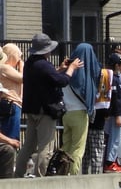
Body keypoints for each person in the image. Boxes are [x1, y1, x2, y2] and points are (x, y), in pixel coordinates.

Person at [14, 33, 82, 178]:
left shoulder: (31, 63)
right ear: (46, 50)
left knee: (29, 145)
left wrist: (59, 69)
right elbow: (62, 82)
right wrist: (71, 68)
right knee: (46, 146)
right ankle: (41, 177)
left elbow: (46, 78)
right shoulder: (44, 65)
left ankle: (17, 175)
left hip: (32, 109)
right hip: (45, 110)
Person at [59, 42, 102, 175]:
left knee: (66, 146)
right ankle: (73, 173)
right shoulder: (86, 77)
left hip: (66, 114)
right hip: (80, 114)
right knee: (78, 147)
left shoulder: (67, 72)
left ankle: (61, 171)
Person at [0, 42, 24, 142]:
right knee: (11, 138)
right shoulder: (4, 67)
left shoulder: (8, 69)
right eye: (18, 56)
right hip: (11, 103)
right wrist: (22, 67)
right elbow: (22, 78)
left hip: (13, 103)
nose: (19, 59)